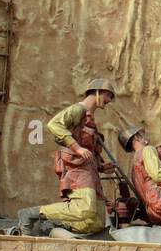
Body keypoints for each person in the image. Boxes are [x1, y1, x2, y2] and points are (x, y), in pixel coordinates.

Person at [17, 79, 117, 236]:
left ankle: (57, 225)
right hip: (77, 170)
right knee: (84, 209)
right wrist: (77, 148)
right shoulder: (78, 110)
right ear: (97, 92)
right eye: (108, 95)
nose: (109, 100)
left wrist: (102, 167)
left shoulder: (90, 119)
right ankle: (30, 214)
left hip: (90, 171)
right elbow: (54, 124)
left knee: (96, 222)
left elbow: (89, 151)